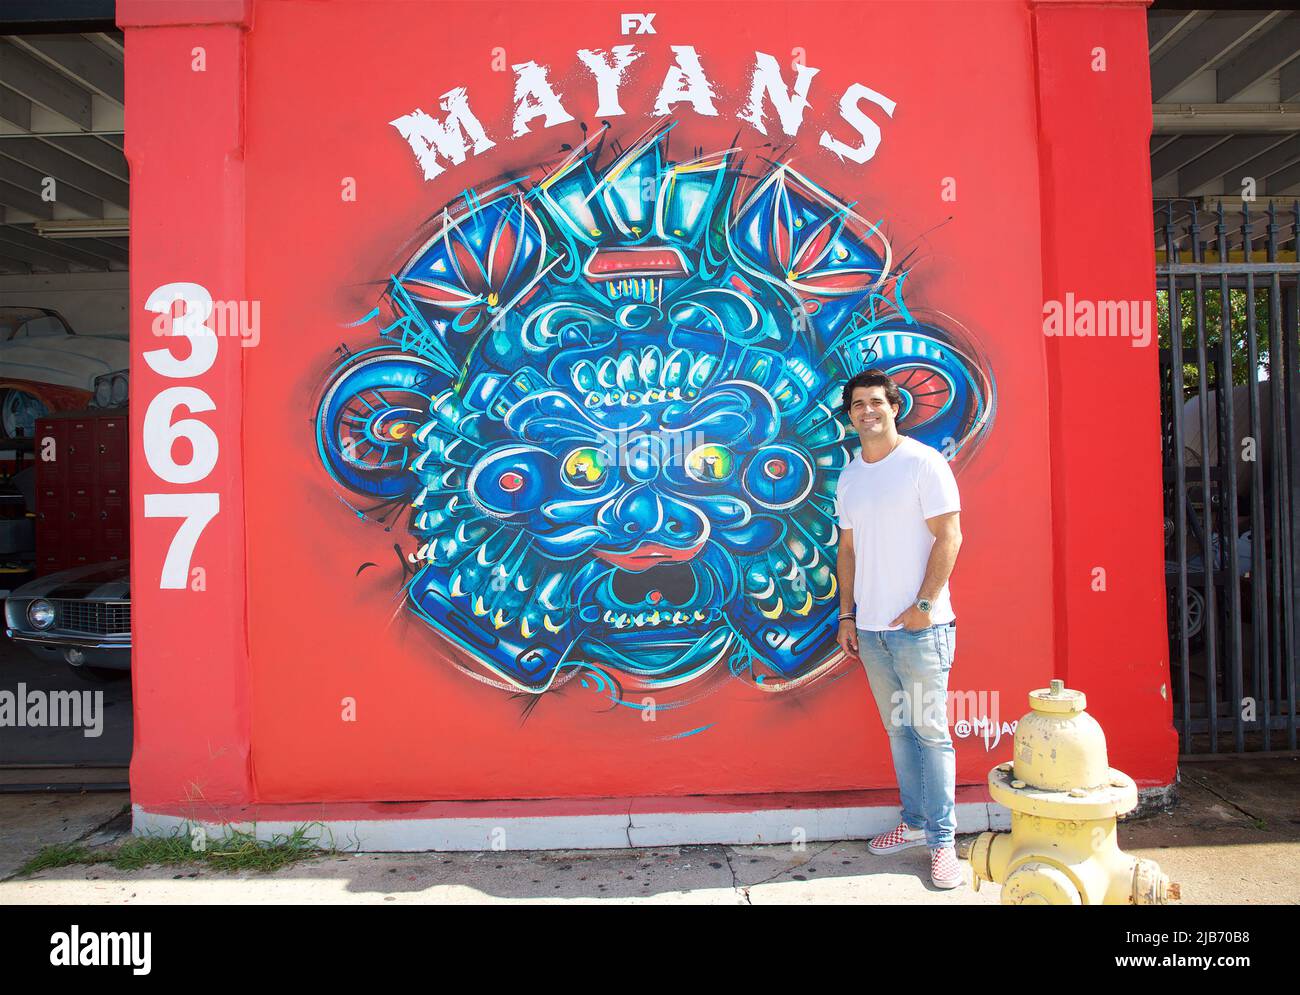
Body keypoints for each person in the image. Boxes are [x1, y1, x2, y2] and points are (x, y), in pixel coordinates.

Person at [833, 369, 964, 889]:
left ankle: (944, 845)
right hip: (871, 630)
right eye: (858, 404)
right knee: (900, 732)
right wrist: (848, 615)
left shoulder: (923, 463)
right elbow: (847, 551)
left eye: (876, 402)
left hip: (920, 629)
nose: (868, 411)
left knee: (931, 734)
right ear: (850, 415)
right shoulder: (850, 474)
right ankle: (913, 823)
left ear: (894, 407)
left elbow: (950, 536)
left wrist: (924, 604)